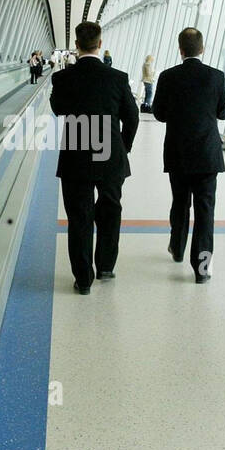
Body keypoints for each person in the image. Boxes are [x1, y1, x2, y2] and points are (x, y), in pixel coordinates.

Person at [50, 22, 139, 294]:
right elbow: (132, 117)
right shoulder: (118, 77)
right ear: (100, 44)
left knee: (79, 216)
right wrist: (124, 146)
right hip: (111, 154)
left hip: (76, 153)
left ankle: (83, 279)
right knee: (111, 210)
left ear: (76, 45)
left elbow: (58, 109)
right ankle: (106, 266)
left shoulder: (64, 78)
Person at [151, 28, 225, 283]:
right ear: (202, 49)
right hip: (207, 154)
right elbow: (223, 113)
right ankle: (202, 269)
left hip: (178, 152)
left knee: (180, 202)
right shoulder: (216, 77)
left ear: (181, 49)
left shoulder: (167, 77)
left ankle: (177, 248)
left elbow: (159, 114)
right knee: (205, 211)